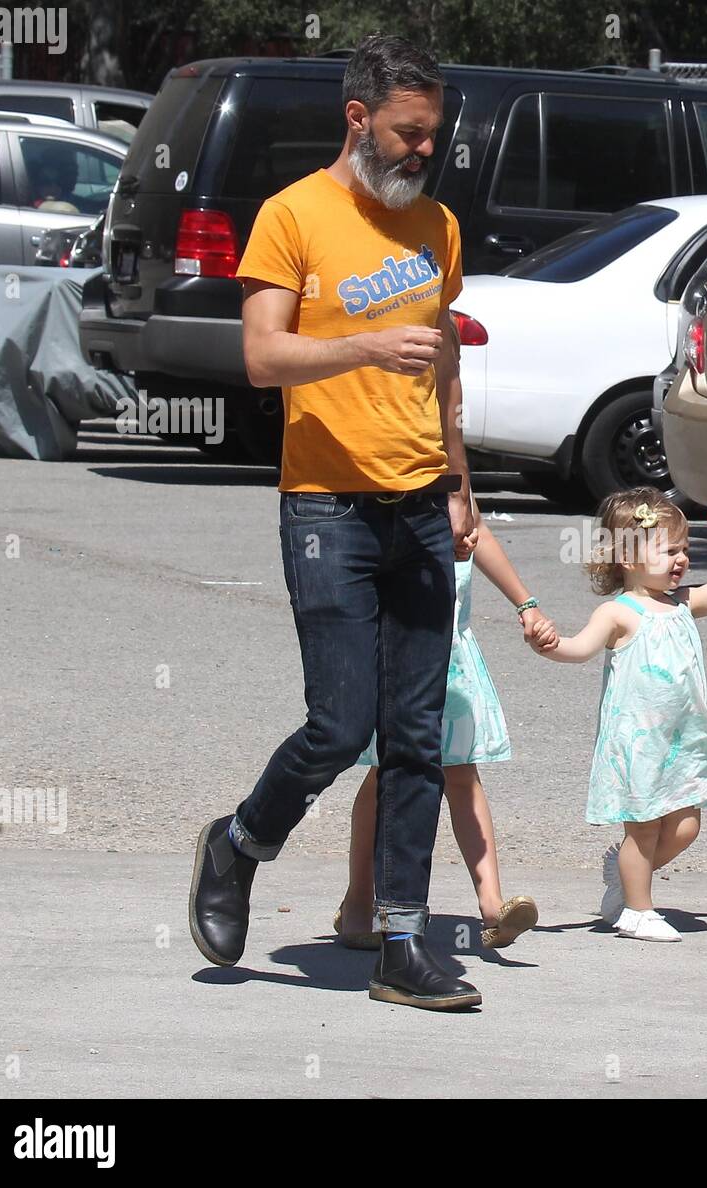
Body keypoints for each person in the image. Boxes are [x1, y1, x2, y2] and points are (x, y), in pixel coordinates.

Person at [188, 34, 485, 1010]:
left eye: (432, 137)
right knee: (339, 722)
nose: (421, 152)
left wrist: (459, 479)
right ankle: (239, 845)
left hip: (419, 509)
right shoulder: (290, 216)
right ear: (357, 119)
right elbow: (263, 359)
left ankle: (402, 945)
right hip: (327, 509)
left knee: (414, 736)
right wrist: (360, 344)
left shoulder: (435, 227)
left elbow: (441, 358)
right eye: (406, 134)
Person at [530, 487, 707, 942]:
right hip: (638, 744)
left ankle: (624, 878)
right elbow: (578, 649)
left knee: (685, 826)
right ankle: (637, 910)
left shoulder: (684, 603)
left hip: (682, 742)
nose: (680, 559)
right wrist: (550, 645)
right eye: (668, 551)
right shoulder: (618, 613)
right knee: (642, 831)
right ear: (627, 557)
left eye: (684, 549)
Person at [335, 505, 557, 951]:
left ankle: (493, 906)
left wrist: (527, 605)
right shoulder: (395, 495)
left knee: (462, 774)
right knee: (386, 773)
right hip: (400, 656)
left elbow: (482, 532)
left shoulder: (459, 499)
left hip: (453, 665)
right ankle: (359, 900)